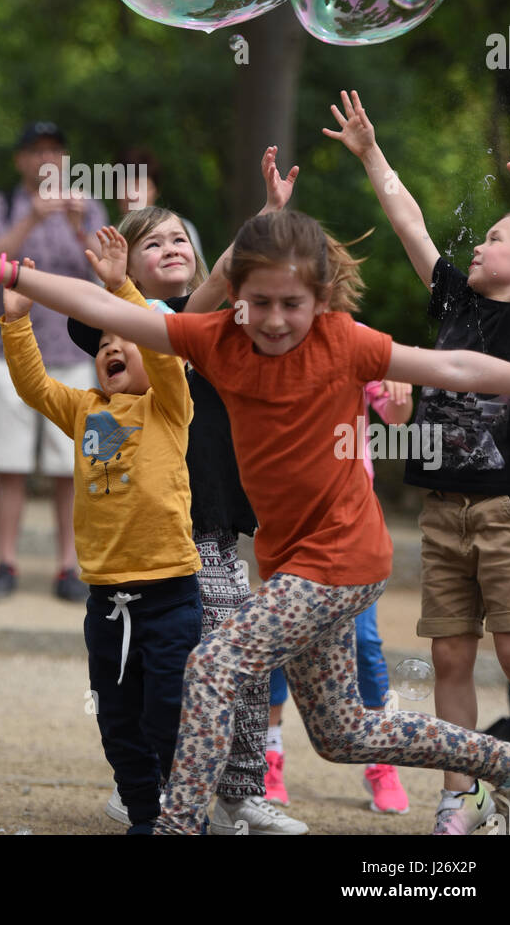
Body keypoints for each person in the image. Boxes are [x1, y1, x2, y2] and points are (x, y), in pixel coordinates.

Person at [0, 195, 510, 835]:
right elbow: (103, 308)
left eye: (293, 304)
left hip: (344, 556)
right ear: (235, 294)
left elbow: (454, 365)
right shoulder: (215, 339)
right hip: (289, 562)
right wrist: (6, 272)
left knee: (214, 663)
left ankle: (178, 826)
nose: (276, 321)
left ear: (321, 296)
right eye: (261, 303)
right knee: (343, 732)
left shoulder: (344, 342)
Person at [325, 88, 510, 834]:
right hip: (443, 512)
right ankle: (460, 794)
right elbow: (407, 220)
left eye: (499, 238)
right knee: (448, 657)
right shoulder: (453, 303)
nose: (478, 245)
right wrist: (370, 152)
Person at [97, 209, 307, 836]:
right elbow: (178, 321)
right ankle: (153, 788)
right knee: (156, 672)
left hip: (215, 527)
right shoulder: (117, 322)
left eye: (180, 238)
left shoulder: (226, 323)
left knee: (241, 662)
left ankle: (234, 792)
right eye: (152, 241)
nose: (170, 247)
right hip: (159, 532)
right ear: (123, 264)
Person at [0, 249, 201, 833]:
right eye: (103, 342)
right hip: (107, 603)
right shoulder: (87, 411)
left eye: (124, 338)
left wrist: (123, 288)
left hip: (171, 596)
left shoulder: (170, 406)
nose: (111, 347)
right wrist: (16, 319)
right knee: (118, 722)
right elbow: (34, 385)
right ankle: (143, 816)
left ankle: (185, 819)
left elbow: (161, 353)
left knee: (169, 716)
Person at [266, 377, 414, 817]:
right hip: (291, 514)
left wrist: (400, 396)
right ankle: (270, 757)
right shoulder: (274, 341)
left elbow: (396, 418)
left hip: (352, 515)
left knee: (365, 642)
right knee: (277, 638)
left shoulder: (356, 343)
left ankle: (380, 758)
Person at [0, 122, 108, 602]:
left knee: (68, 466)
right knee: (8, 463)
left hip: (73, 350)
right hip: (9, 349)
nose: (46, 159)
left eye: (55, 150)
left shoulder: (88, 206)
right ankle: (5, 562)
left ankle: (66, 567)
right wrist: (31, 217)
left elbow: (108, 272)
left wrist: (77, 224)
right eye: (37, 151)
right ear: (21, 160)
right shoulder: (1, 205)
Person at [114, 146, 203, 262]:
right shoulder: (105, 239)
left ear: (156, 191)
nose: (133, 195)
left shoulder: (182, 230)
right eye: (126, 187)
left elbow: (200, 277)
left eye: (140, 186)